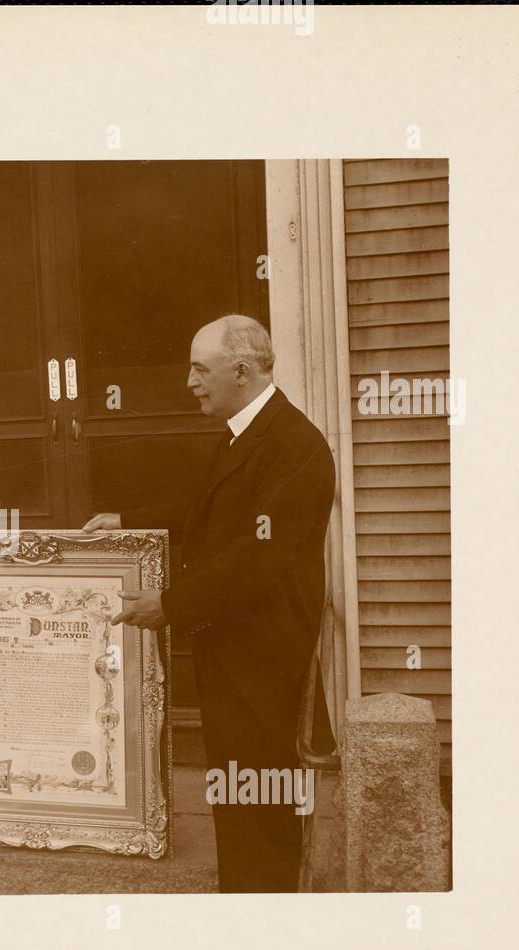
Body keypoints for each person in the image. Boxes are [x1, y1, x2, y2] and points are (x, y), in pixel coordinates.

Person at [85, 315, 336, 892]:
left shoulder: (296, 446)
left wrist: (170, 604)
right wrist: (129, 519)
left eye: (201, 369)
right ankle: (245, 903)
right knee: (240, 803)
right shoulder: (246, 432)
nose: (190, 382)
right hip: (237, 653)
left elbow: (255, 559)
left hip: (266, 663)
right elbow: (207, 509)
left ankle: (263, 916)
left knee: (261, 807)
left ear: (241, 371)